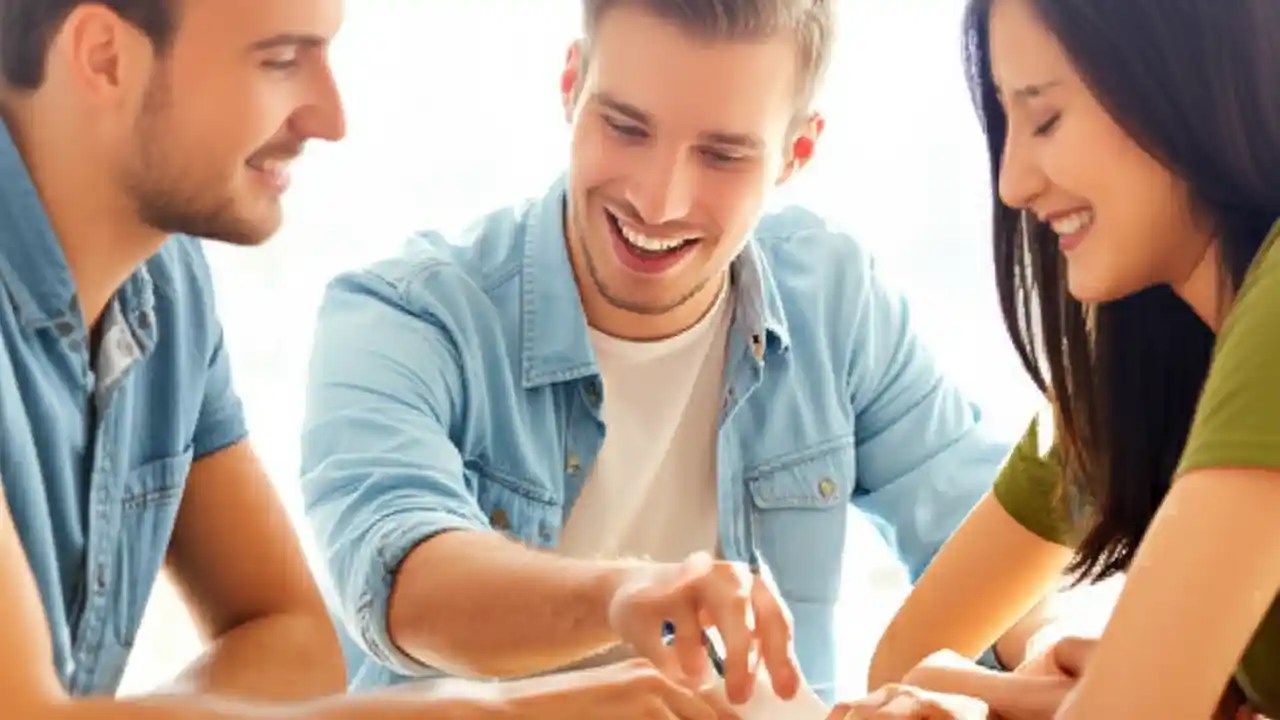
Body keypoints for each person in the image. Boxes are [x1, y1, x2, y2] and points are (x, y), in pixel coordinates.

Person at [0, 1, 746, 718]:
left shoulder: (163, 286)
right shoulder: (405, 307)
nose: (329, 118)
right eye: (281, 61)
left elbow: (290, 639)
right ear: (104, 58)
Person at [299, 0, 1011, 711]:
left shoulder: (836, 297)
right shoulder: (405, 315)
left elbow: (983, 527)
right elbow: (401, 583)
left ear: (797, 153)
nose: (658, 200)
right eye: (625, 127)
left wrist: (1042, 657)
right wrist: (623, 596)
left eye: (723, 155)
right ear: (572, 86)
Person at [848, 0, 1280, 718]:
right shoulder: (1133, 380)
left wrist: (1003, 693)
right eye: (1006, 124)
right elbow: (905, 661)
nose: (1012, 184)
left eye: (1045, 118)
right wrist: (1038, 689)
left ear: (1178, 82)